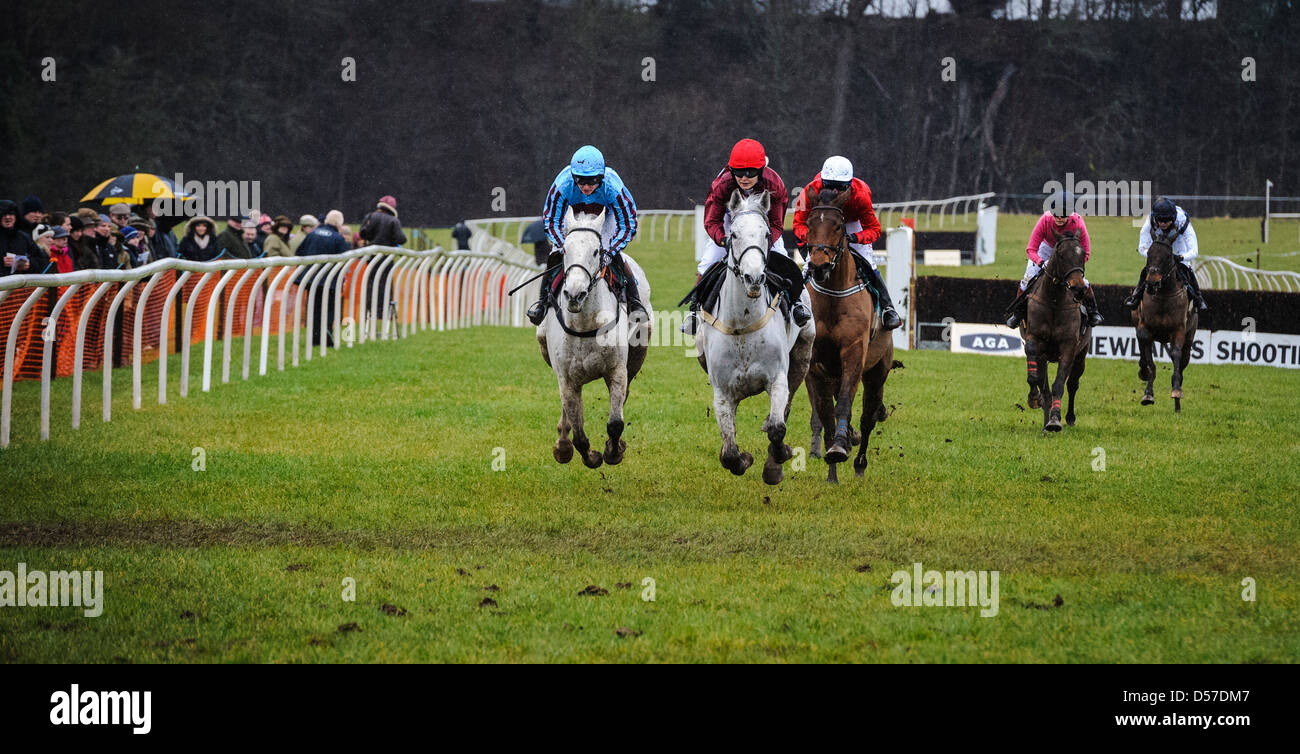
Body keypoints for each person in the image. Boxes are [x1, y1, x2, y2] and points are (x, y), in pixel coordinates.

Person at [682, 138, 808, 335]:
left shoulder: (774, 184)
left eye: (750, 172)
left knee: (782, 257)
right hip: (729, 221)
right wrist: (724, 241)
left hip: (762, 222)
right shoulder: (722, 184)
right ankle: (694, 312)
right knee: (708, 262)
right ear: (731, 170)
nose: (744, 178)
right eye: (739, 173)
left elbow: (775, 224)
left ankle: (797, 304)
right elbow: (712, 222)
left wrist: (763, 244)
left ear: (761, 170)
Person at [529, 145, 642, 325]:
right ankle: (541, 303)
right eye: (581, 181)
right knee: (555, 255)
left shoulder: (613, 186)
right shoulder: (562, 184)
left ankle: (635, 302)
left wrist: (611, 251)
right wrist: (563, 245)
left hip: (605, 219)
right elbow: (551, 219)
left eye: (592, 181)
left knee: (614, 256)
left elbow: (628, 224)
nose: (586, 186)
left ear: (602, 177)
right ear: (573, 177)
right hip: (572, 218)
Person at [792, 156, 902, 330]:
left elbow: (874, 229)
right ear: (822, 181)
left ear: (849, 185)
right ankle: (796, 305)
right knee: (808, 265)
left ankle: (888, 309)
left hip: (852, 224)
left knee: (868, 263)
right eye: (829, 186)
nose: (835, 192)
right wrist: (815, 239)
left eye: (841, 187)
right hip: (823, 225)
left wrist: (854, 238)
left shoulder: (861, 194)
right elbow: (798, 223)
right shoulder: (809, 191)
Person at [1004, 190, 1103, 328]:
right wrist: (1041, 262)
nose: (1059, 219)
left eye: (1063, 216)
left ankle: (1093, 312)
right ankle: (1018, 313)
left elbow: (1086, 252)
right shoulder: (1045, 220)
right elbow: (1031, 249)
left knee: (1082, 282)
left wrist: (1072, 266)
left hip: (1069, 252)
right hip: (1045, 250)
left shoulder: (1078, 223)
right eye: (1056, 215)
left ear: (1070, 214)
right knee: (1027, 279)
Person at [1125, 196, 1207, 312]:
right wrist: (1156, 256)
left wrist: (1180, 257)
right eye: (1160, 220)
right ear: (1155, 218)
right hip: (1159, 247)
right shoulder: (1150, 221)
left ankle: (1198, 298)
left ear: (1173, 218)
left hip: (1178, 246)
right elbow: (1142, 247)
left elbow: (1194, 251)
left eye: (1166, 221)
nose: (1163, 223)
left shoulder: (1182, 221)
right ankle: (1136, 296)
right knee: (1147, 270)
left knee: (1186, 269)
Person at [296, 210, 351, 346]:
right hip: (329, 280)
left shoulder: (312, 234)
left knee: (313, 308)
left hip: (310, 279)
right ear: (339, 223)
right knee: (328, 308)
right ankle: (326, 333)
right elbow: (346, 259)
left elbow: (299, 252)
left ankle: (314, 337)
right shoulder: (338, 238)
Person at [1, 200, 46, 276]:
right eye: (3, 214)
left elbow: (42, 261)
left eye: (11, 214)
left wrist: (28, 265)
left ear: (16, 216)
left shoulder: (23, 237)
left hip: (21, 285)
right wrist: (1, 262)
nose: (7, 217)